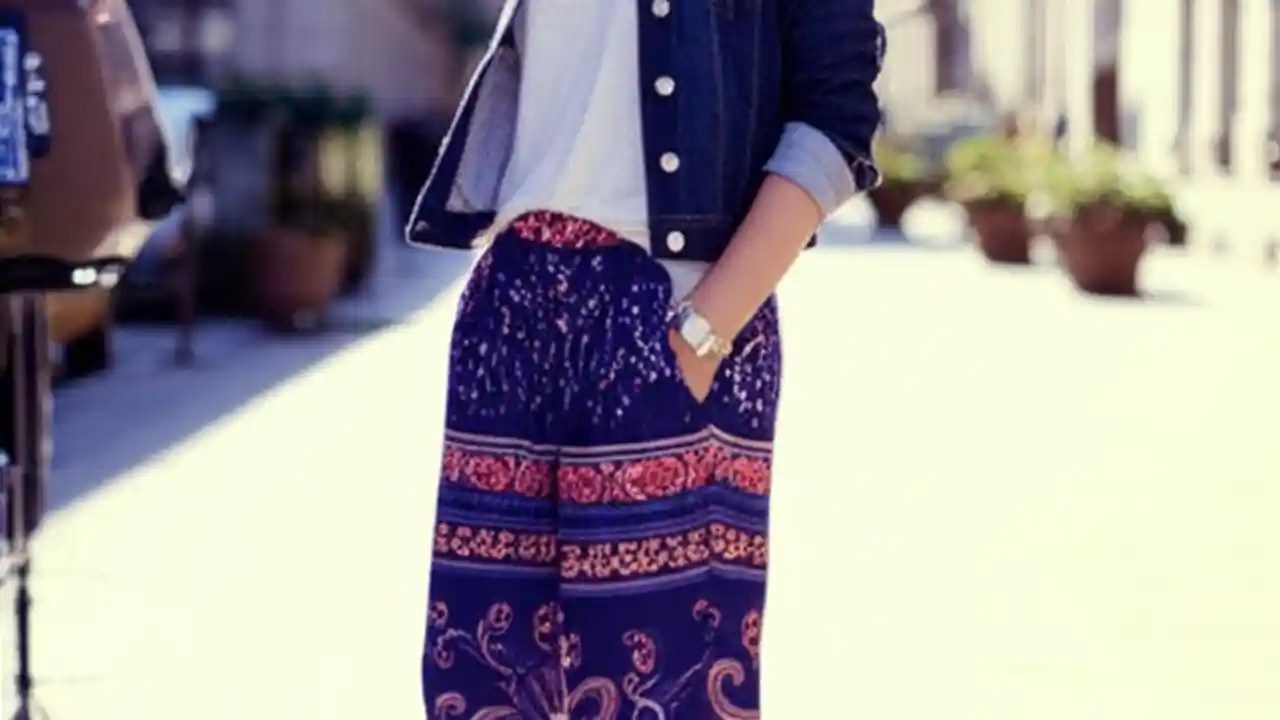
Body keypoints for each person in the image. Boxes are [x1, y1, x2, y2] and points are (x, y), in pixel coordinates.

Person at [407, 1, 884, 716]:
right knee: (482, 689)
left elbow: (836, 118)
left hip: (671, 306)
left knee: (657, 691)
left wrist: (700, 335)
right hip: (512, 300)